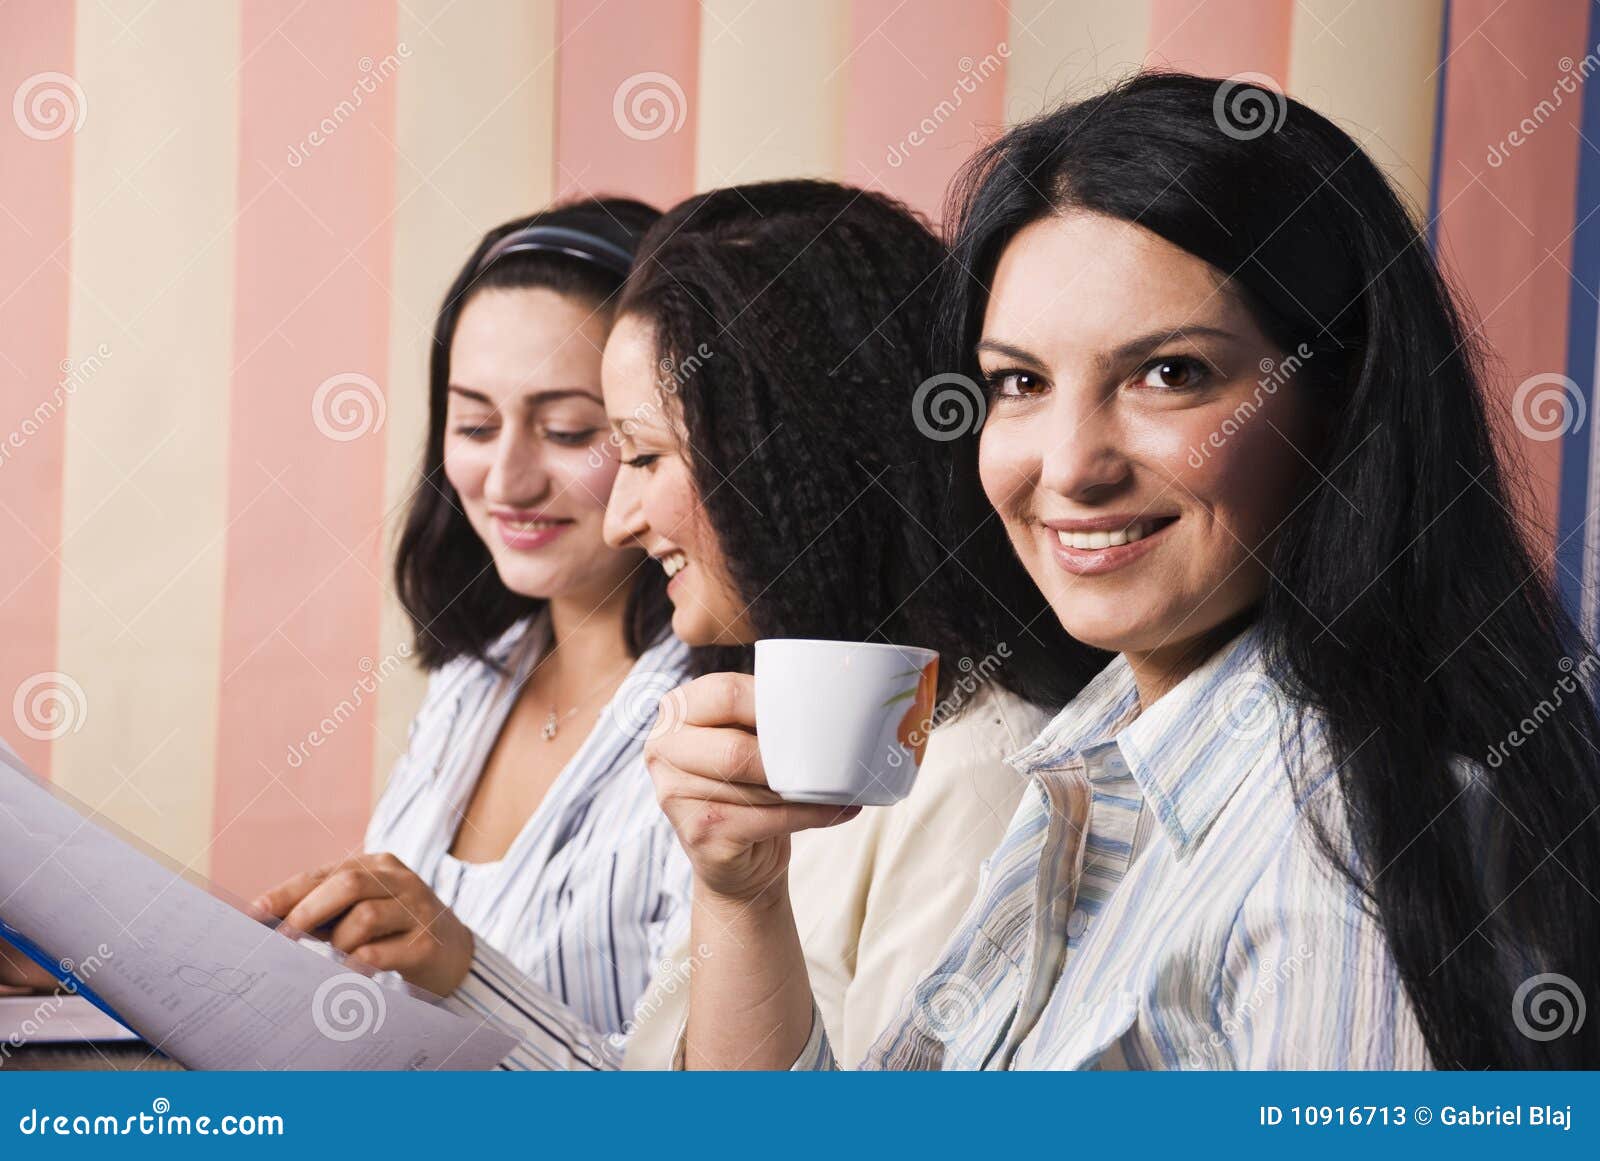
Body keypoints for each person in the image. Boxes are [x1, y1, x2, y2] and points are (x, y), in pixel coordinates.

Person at [656, 73, 1600, 1070]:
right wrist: (744, 894)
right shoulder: (1102, 757)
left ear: (1342, 399)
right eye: (1018, 383)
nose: (1069, 467)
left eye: (1169, 374)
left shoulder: (1344, 858)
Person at [441, 179, 1094, 1069]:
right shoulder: (765, 746)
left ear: (785, 454)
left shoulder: (981, 772)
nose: (618, 520)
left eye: (640, 454)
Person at [253, 198, 692, 1045]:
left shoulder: (721, 730)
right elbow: (356, 992)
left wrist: (464, 971)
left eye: (569, 430)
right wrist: (110, 963)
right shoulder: (475, 678)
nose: (507, 480)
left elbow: (693, 1105)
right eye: (476, 424)